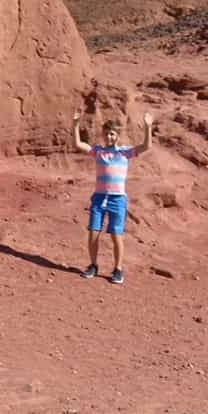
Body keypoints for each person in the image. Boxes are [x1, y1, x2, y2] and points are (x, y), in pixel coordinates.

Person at [72, 111, 154, 284]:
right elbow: (78, 144)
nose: (109, 136)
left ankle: (118, 269)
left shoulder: (125, 153)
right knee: (93, 233)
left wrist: (148, 127)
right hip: (99, 198)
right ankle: (93, 265)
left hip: (117, 199)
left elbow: (146, 146)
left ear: (117, 135)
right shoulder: (98, 151)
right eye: (106, 133)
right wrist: (75, 125)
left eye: (112, 134)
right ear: (103, 135)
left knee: (117, 236)